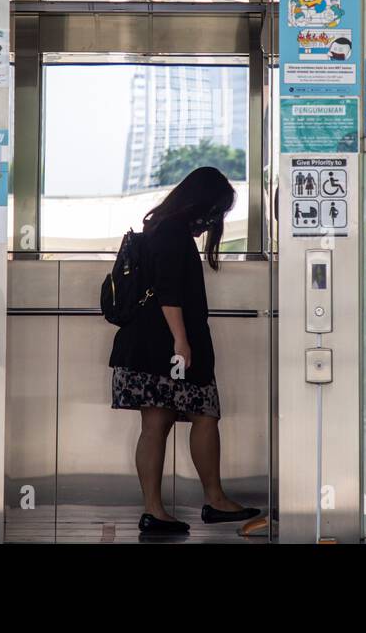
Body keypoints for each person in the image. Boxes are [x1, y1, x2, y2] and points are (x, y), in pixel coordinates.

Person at [108, 166, 262, 535]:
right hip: (166, 346)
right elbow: (168, 292)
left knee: (156, 423)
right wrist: (181, 341)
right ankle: (212, 500)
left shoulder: (158, 227)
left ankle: (156, 511)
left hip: (144, 345)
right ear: (202, 203)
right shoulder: (174, 234)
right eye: (215, 211)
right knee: (203, 415)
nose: (214, 220)